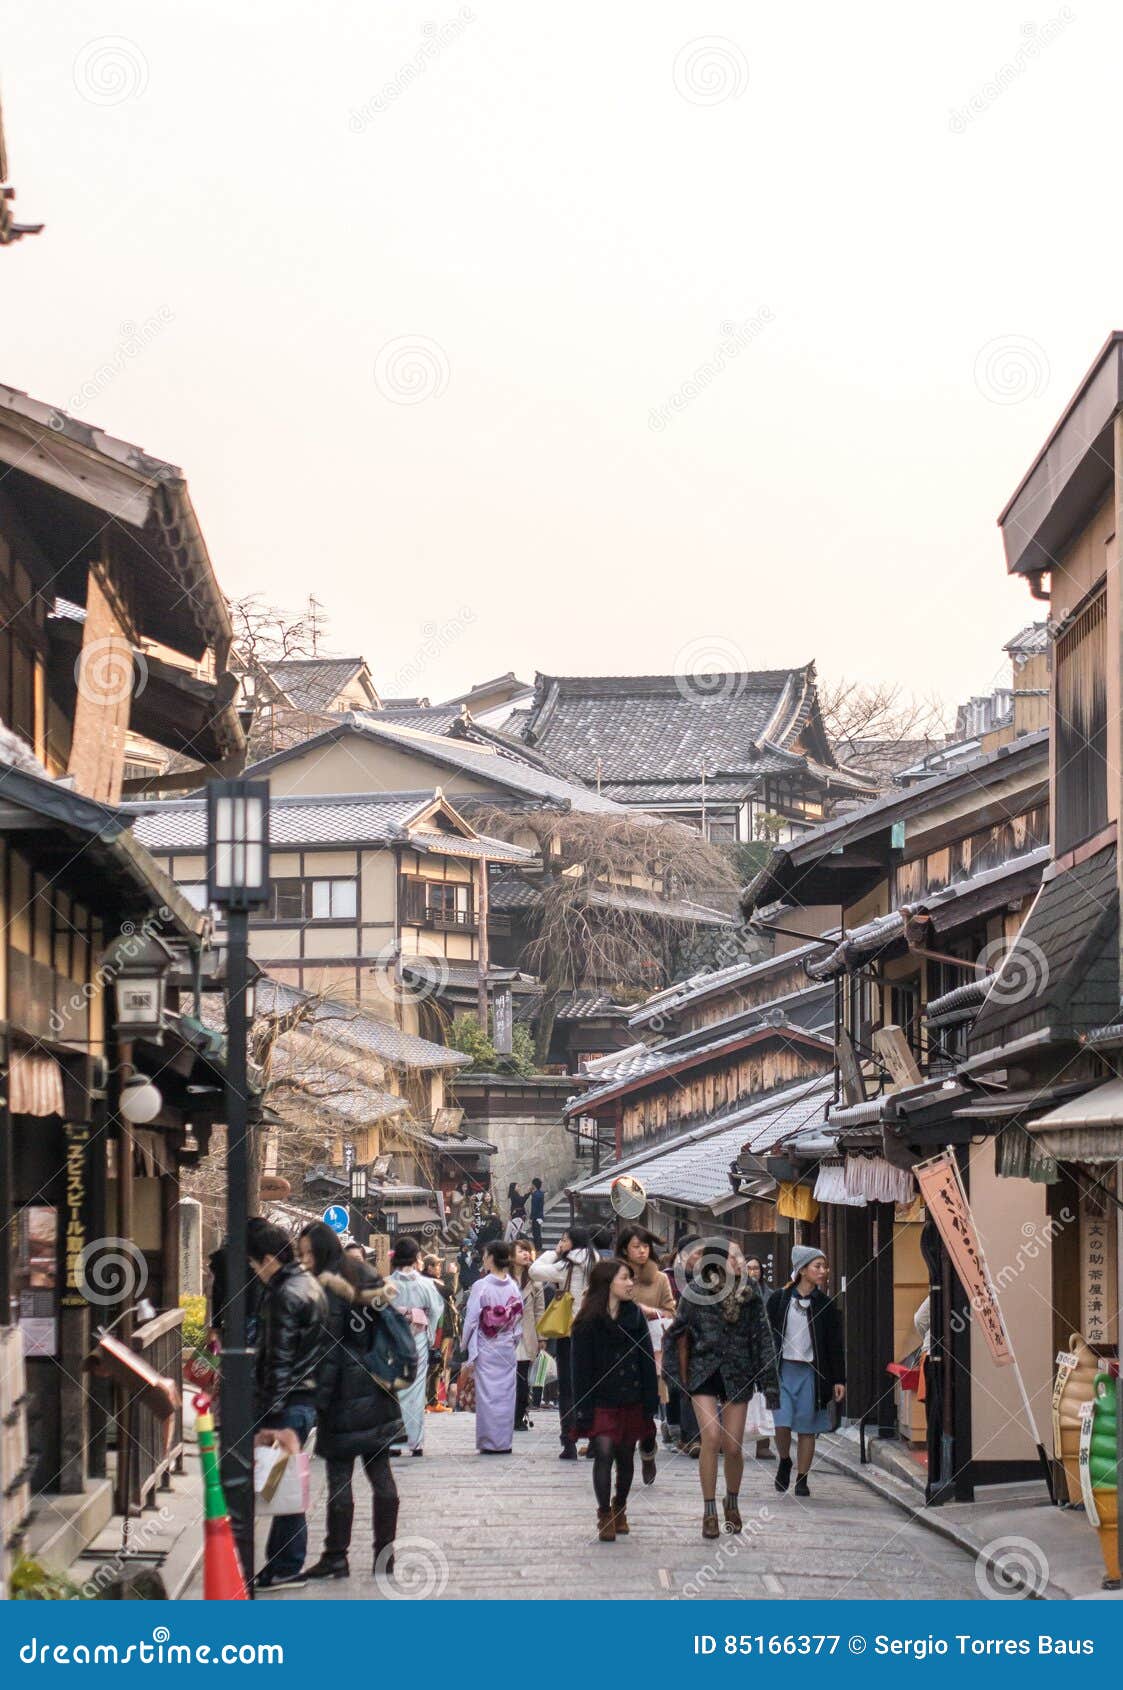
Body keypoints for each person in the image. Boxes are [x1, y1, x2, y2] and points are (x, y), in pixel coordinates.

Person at [296, 1223, 404, 1579]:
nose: (303, 1260)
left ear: (322, 1251)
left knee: (340, 1477)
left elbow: (327, 1351)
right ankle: (385, 1556)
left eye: (307, 1253)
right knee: (381, 1474)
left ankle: (336, 1556)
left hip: (343, 1393)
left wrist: (319, 1401)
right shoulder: (367, 1276)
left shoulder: (328, 1288)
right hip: (378, 1386)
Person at [665, 1239, 780, 1540]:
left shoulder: (751, 1293)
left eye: (740, 1256)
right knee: (711, 1438)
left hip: (738, 1372)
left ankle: (731, 1500)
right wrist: (673, 1376)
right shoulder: (694, 1293)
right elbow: (675, 1332)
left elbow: (763, 1339)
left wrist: (769, 1384)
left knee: (733, 1446)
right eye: (734, 1257)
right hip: (703, 1371)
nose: (740, 1261)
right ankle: (708, 1510)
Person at [247, 1217, 329, 1591]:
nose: (254, 1273)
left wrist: (272, 1414)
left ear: (266, 1259)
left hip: (289, 1402)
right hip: (305, 1398)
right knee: (282, 1484)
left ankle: (286, 1565)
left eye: (253, 1265)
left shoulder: (284, 1294)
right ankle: (280, 1564)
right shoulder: (308, 1285)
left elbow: (279, 1358)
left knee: (282, 1486)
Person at [572, 1259, 658, 1543]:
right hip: (601, 1400)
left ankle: (620, 1505)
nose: (631, 1283)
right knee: (604, 1452)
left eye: (631, 1279)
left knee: (624, 1455)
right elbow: (579, 1370)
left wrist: (650, 1402)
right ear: (608, 1282)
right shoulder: (586, 1322)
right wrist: (581, 1409)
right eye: (625, 1278)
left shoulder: (635, 1317)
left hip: (631, 1397)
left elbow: (646, 1361)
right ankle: (604, 1512)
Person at [766, 1245, 845, 1499]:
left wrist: (838, 1379)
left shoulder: (826, 1305)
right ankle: (785, 1460)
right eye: (817, 1266)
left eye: (825, 1266)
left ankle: (802, 1477)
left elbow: (835, 1344)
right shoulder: (779, 1300)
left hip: (812, 1372)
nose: (823, 1271)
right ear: (801, 1270)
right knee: (781, 1423)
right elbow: (766, 1336)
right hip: (783, 1370)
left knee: (807, 1428)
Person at [530, 1225, 599, 1460]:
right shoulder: (596, 1263)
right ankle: (594, 1439)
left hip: (568, 1332)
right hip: (592, 1332)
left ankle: (569, 1441)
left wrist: (553, 1252)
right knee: (591, 1386)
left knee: (568, 1388)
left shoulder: (564, 1265)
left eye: (564, 1240)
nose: (562, 1243)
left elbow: (535, 1271)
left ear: (572, 1243)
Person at [616, 1226, 675, 1484]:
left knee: (648, 1409)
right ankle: (623, 1460)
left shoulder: (660, 1279)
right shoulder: (614, 1276)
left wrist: (648, 1310)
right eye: (636, 1246)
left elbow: (672, 1312)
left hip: (651, 1350)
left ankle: (648, 1449)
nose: (641, 1251)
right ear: (624, 1249)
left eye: (645, 1246)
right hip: (619, 1351)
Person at [461, 1241, 524, 1453]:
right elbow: (517, 1318)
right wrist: (512, 1339)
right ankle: (504, 1442)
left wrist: (465, 1343)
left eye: (485, 1255)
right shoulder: (513, 1285)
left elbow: (471, 1319)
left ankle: (489, 1442)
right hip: (506, 1345)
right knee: (506, 1395)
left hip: (487, 1345)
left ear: (491, 1258)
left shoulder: (482, 1285)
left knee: (487, 1395)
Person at [389, 1236, 444, 1456]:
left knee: (393, 1388)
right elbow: (436, 1309)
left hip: (392, 1339)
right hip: (417, 1339)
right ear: (416, 1257)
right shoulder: (426, 1284)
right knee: (415, 1388)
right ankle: (415, 1441)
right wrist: (426, 1329)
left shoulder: (386, 1283)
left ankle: (394, 1442)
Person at [512, 1237, 545, 1429]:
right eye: (521, 1251)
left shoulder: (535, 1281)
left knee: (522, 1378)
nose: (525, 1254)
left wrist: (542, 1337)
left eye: (527, 1251)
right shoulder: (503, 1278)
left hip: (527, 1334)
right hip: (505, 1334)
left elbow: (540, 1311)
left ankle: (519, 1417)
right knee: (509, 1378)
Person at [745, 1256, 775, 1461]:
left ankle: (763, 1444)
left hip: (764, 1349)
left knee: (764, 1397)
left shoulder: (771, 1295)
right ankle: (726, 1440)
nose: (753, 1272)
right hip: (740, 1351)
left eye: (756, 1268)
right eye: (749, 1268)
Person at [529, 1177, 545, 1251]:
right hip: (540, 1216)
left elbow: (534, 1208)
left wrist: (531, 1218)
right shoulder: (541, 1193)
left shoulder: (535, 1195)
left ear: (534, 1185)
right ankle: (539, 1247)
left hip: (536, 1217)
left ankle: (538, 1249)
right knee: (538, 1233)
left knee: (536, 1234)